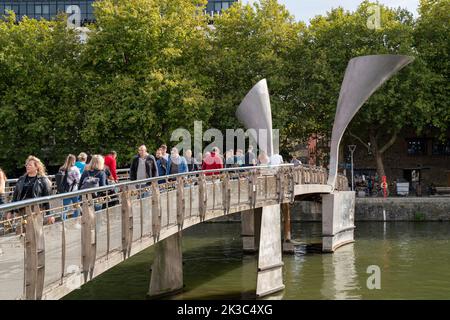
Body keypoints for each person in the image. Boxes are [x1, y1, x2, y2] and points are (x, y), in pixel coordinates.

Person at [12, 156, 53, 226]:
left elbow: (47, 199)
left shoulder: (43, 180)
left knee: (35, 232)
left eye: (30, 165)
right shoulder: (21, 179)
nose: (27, 166)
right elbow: (15, 196)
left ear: (36, 167)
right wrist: (11, 211)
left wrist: (49, 214)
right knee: (20, 232)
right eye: (26, 165)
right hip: (21, 209)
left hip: (36, 210)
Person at [58, 154, 81, 219]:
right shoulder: (75, 169)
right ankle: (75, 220)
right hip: (74, 190)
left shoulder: (62, 168)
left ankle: (63, 222)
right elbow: (78, 180)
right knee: (76, 207)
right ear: (73, 161)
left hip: (65, 191)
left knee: (64, 208)